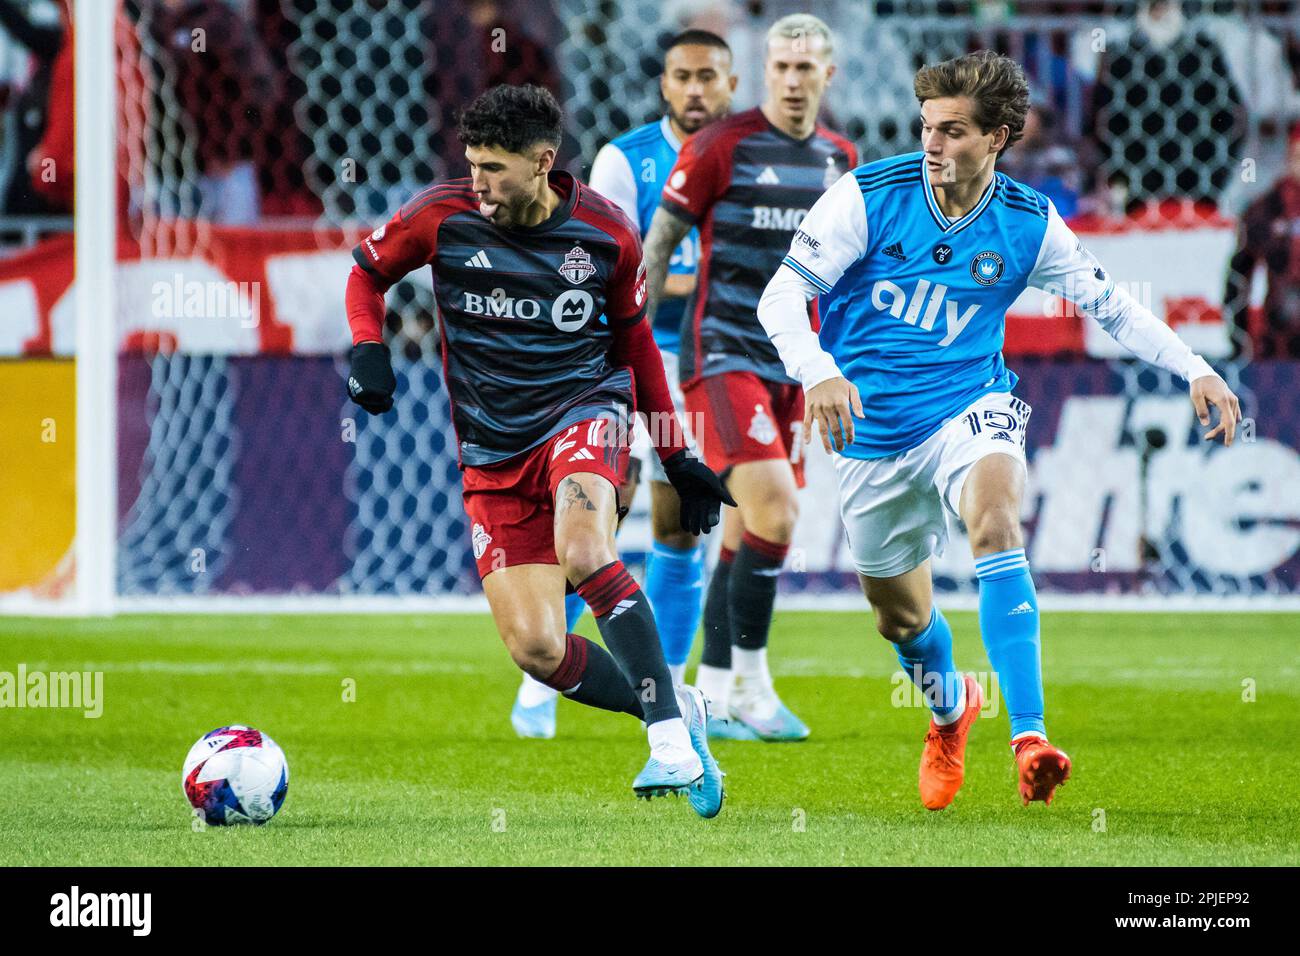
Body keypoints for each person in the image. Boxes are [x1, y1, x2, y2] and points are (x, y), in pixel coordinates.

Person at [758, 50, 1240, 808]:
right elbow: (781, 300)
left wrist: (1194, 368)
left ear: (999, 137)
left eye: (953, 131)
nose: (933, 144)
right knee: (900, 617)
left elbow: (1112, 306)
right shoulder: (865, 197)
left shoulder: (1027, 222)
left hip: (969, 408)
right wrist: (818, 371)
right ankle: (951, 710)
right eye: (927, 127)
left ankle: (1030, 738)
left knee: (996, 521)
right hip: (871, 434)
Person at [344, 84, 734, 816]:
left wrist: (677, 455)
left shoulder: (606, 235)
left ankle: (669, 746)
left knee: (584, 550)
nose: (479, 181)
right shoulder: (443, 217)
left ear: (543, 162)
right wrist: (370, 349)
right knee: (537, 649)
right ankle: (674, 707)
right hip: (492, 451)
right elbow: (368, 274)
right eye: (472, 164)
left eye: (494, 167)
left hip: (585, 413)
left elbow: (636, 345)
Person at [509, 29, 737, 739]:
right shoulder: (625, 160)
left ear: (731, 85)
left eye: (709, 77)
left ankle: (662, 696)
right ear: (664, 84)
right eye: (682, 76)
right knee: (602, 520)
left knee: (681, 524)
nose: (696, 89)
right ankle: (538, 680)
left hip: (707, 362)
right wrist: (710, 282)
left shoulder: (750, 162)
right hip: (622, 360)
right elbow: (611, 273)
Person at [642, 13, 857, 742]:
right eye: (783, 67)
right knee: (780, 510)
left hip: (792, 368)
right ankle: (755, 687)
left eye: (808, 68)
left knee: (743, 531)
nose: (795, 80)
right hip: (721, 354)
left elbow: (849, 274)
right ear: (765, 73)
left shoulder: (841, 159)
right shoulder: (718, 146)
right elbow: (662, 239)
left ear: (830, 74)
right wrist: (629, 333)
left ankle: (710, 692)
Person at [1223, 125, 1300, 359]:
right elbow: (1237, 278)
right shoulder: (1268, 208)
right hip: (1278, 345)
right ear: (1289, 157)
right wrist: (1240, 342)